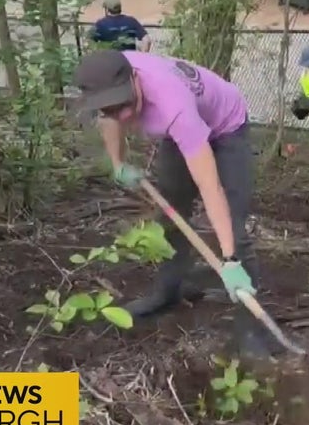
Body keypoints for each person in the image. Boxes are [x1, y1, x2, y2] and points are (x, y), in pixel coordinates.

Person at [72, 49, 260, 324]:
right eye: (111, 107)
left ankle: (251, 323)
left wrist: (228, 259)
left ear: (135, 79)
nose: (122, 115)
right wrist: (118, 163)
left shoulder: (173, 106)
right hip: (177, 133)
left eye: (125, 104)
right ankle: (168, 290)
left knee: (233, 227)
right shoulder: (110, 74)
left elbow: (210, 186)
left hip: (226, 126)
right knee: (171, 212)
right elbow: (108, 118)